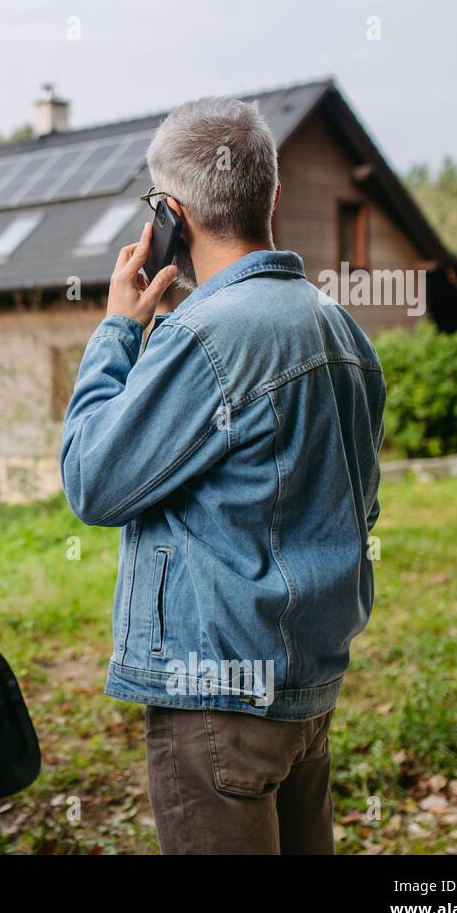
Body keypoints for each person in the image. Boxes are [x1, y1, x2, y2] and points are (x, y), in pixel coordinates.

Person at [60, 96, 385, 854]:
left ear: (171, 213)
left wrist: (118, 331)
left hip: (216, 703)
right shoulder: (341, 331)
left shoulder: (204, 336)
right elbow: (357, 511)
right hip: (305, 697)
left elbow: (91, 480)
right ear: (271, 197)